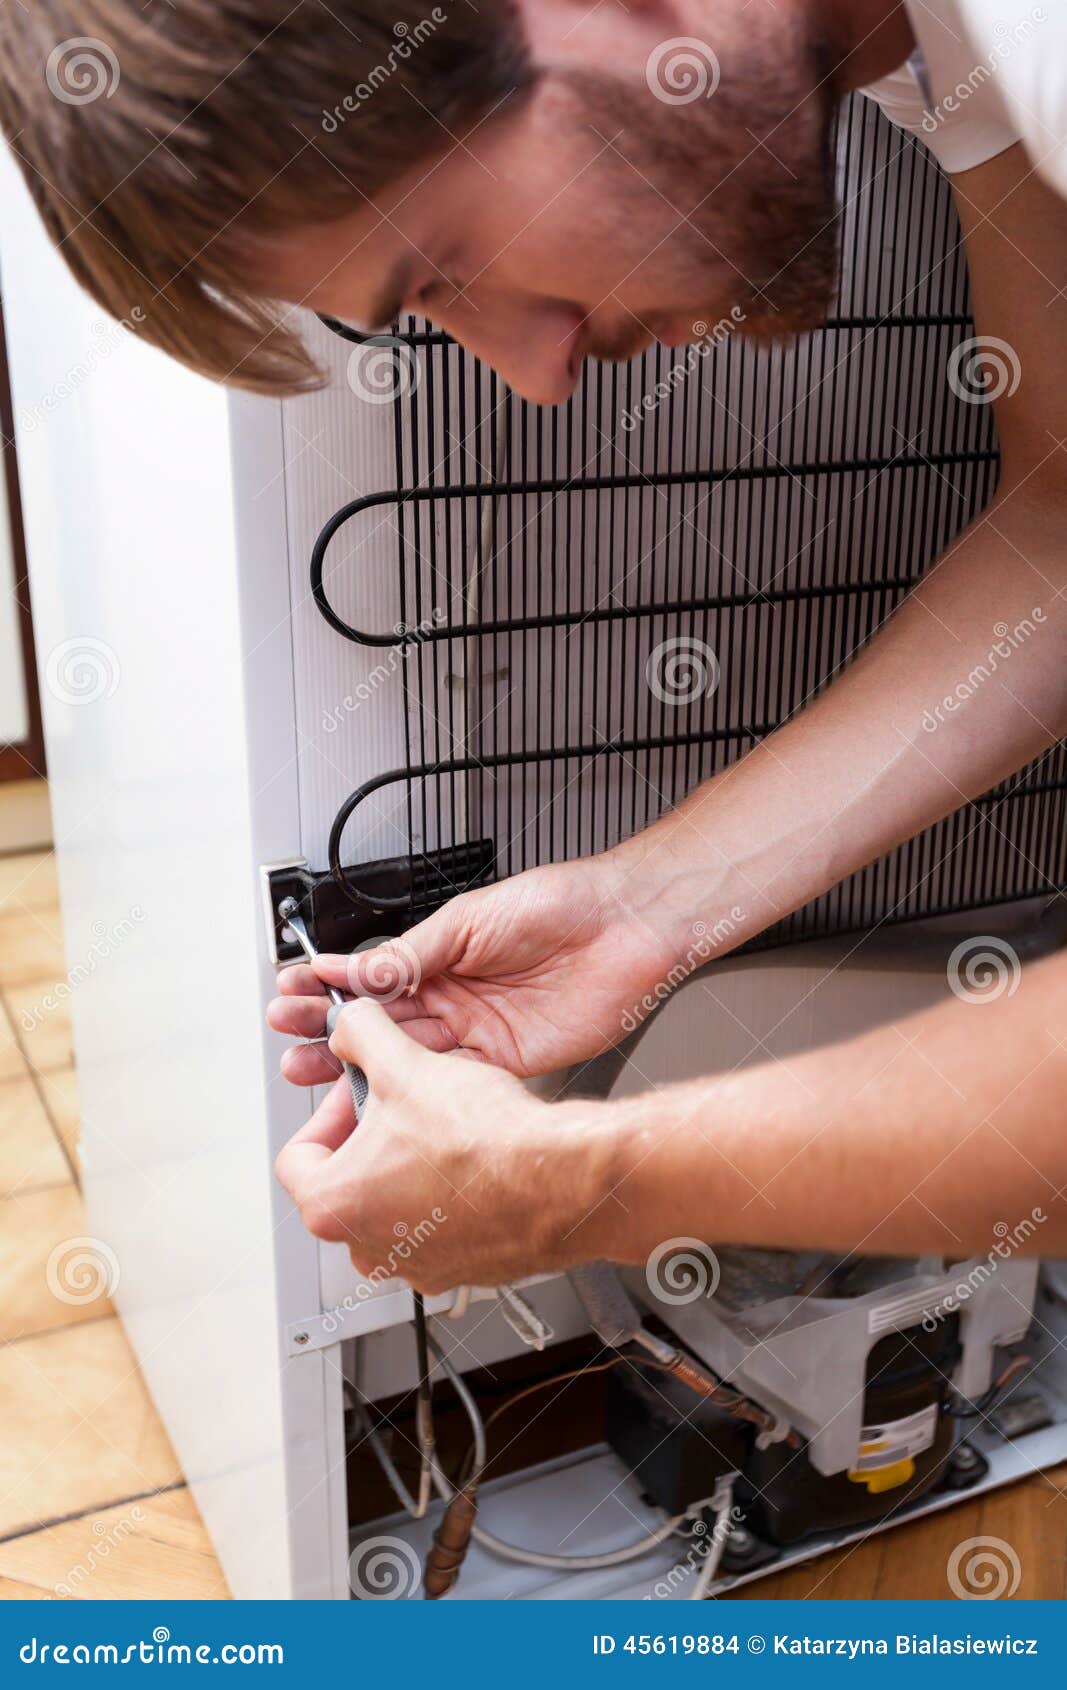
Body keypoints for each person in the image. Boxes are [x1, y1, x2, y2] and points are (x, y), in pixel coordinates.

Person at [4, 1, 1066, 1290]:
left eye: (443, 266)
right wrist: (640, 908)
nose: (539, 374)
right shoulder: (950, 65)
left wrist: (589, 1183)